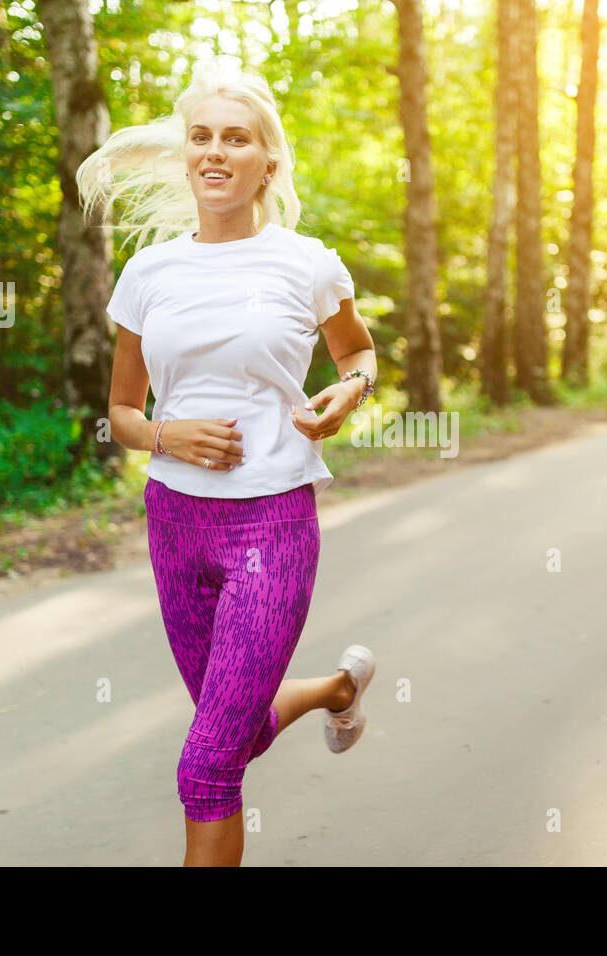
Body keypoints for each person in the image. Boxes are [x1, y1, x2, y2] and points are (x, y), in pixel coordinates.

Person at [77, 58, 379, 867]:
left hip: (273, 522)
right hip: (175, 523)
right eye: (202, 137)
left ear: (266, 162)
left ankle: (331, 690)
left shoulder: (306, 263)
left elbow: (358, 356)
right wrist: (163, 436)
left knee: (206, 765)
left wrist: (348, 396)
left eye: (235, 139)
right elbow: (120, 413)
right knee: (234, 732)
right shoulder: (149, 273)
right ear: (188, 156)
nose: (215, 152)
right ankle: (337, 689)